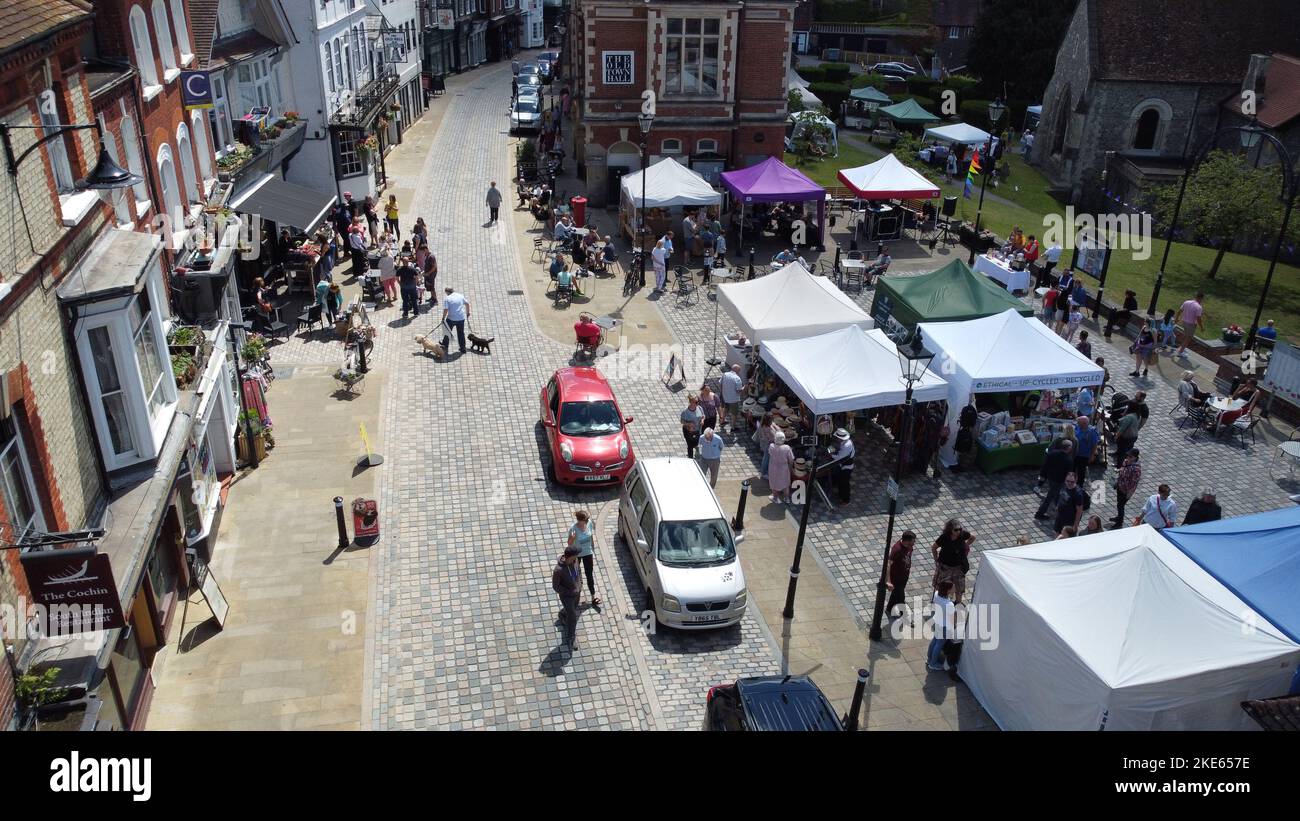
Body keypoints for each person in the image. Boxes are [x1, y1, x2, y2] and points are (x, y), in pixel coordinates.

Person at [931, 519, 975, 605]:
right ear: (950, 529)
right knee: (941, 585)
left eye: (960, 529)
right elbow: (934, 548)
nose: (958, 531)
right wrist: (936, 559)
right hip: (945, 566)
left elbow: (973, 537)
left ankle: (958, 603)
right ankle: (939, 600)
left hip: (959, 566)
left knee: (959, 586)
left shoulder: (963, 535)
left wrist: (966, 545)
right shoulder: (944, 537)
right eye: (956, 530)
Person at [551, 545, 582, 650]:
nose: (577, 557)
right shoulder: (558, 570)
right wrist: (568, 591)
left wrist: (580, 583)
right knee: (573, 617)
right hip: (567, 596)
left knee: (573, 609)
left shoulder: (576, 560)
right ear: (569, 557)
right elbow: (556, 586)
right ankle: (571, 637)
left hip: (577, 592)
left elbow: (579, 571)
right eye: (575, 555)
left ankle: (563, 614)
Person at [567, 510, 600, 607]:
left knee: (589, 574)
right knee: (575, 574)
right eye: (585, 519)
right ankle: (573, 595)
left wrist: (593, 547)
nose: (587, 520)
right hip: (577, 554)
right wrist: (572, 538)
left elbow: (591, 536)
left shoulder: (589, 523)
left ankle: (593, 596)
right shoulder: (573, 529)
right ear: (579, 520)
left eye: (587, 519)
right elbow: (569, 543)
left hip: (588, 553)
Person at [1035, 439, 1074, 519]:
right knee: (1050, 497)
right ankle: (1040, 513)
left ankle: (1057, 508)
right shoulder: (1069, 460)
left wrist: (1042, 476)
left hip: (1050, 477)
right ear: (1069, 448)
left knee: (1055, 494)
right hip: (1059, 481)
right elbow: (1069, 473)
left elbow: (1045, 465)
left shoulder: (1052, 453)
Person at [885, 531, 916, 619]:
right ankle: (904, 616)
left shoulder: (909, 547)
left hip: (904, 576)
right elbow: (888, 565)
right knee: (901, 597)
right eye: (913, 541)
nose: (914, 543)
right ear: (907, 541)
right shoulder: (897, 550)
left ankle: (889, 608)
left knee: (895, 594)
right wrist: (889, 581)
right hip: (896, 578)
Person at [927, 580, 956, 672]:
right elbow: (952, 618)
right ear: (948, 590)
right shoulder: (949, 604)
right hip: (945, 626)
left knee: (935, 641)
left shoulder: (936, 594)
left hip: (937, 621)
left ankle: (929, 658)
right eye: (953, 588)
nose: (954, 589)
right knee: (939, 644)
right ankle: (933, 663)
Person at [1109, 449, 1142, 528]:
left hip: (1126, 491)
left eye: (1130, 456)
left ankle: (1119, 522)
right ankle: (1119, 517)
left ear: (1135, 457)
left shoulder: (1136, 469)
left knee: (1121, 506)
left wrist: (1129, 494)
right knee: (1119, 504)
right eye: (1128, 455)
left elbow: (1134, 483)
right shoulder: (1126, 461)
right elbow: (1123, 469)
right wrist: (1119, 470)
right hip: (1120, 486)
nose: (1128, 458)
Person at [1052, 472, 1086, 537]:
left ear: (1076, 480)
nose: (1069, 483)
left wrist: (1075, 525)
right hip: (1060, 518)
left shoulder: (1078, 494)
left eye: (1072, 482)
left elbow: (1079, 511)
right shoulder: (1064, 485)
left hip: (1069, 521)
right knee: (1057, 535)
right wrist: (1057, 507)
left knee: (1067, 539)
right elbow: (1060, 496)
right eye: (1067, 481)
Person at [767, 431, 795, 504]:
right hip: (784, 468)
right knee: (785, 484)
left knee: (774, 483)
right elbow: (791, 459)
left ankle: (775, 498)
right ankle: (787, 498)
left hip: (773, 467)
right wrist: (790, 467)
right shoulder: (787, 448)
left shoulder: (771, 446)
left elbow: (770, 453)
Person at [828, 428, 855, 503]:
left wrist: (830, 454)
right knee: (839, 479)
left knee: (844, 483)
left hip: (846, 467)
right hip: (841, 465)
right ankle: (840, 493)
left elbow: (839, 457)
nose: (836, 438)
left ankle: (846, 499)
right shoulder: (844, 442)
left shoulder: (847, 445)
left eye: (837, 438)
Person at [441, 287, 469, 354]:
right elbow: (467, 304)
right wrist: (468, 313)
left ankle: (445, 345)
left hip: (451, 318)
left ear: (447, 292)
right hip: (461, 318)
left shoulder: (447, 299)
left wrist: (443, 317)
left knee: (447, 331)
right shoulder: (460, 296)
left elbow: (446, 309)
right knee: (461, 333)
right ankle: (463, 348)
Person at [1176, 291, 1204, 358]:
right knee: (1188, 338)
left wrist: (1176, 318)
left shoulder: (1187, 302)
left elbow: (1180, 311)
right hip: (1191, 324)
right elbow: (1198, 319)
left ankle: (1182, 347)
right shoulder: (1199, 307)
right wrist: (1202, 327)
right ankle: (1180, 352)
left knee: (1185, 336)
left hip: (1184, 322)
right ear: (1201, 298)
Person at [1073, 415, 1100, 484]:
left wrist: (1092, 455)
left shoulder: (1092, 432)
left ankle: (1079, 486)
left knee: (1081, 471)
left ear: (1084, 424)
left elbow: (1094, 445)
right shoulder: (1078, 427)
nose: (1078, 424)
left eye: (1079, 423)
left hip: (1084, 455)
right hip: (1075, 453)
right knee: (1072, 469)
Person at [720, 365, 745, 432]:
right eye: (739, 371)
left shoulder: (724, 374)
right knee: (734, 413)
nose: (739, 372)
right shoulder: (737, 378)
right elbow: (738, 391)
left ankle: (722, 421)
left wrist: (722, 393)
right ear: (737, 371)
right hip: (733, 399)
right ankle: (733, 427)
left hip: (725, 397)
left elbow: (721, 383)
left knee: (726, 409)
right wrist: (744, 388)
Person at [396, 254, 421, 319]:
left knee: (405, 301)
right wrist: (415, 283)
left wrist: (400, 284)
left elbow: (397, 278)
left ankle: (406, 314)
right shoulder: (412, 269)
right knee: (414, 300)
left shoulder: (400, 269)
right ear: (408, 262)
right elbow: (417, 277)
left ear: (402, 262)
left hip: (404, 287)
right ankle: (416, 312)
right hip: (412, 286)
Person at [756, 412, 778, 479]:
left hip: (766, 445)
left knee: (766, 458)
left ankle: (765, 472)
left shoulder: (763, 425)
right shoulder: (766, 428)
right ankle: (764, 473)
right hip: (767, 446)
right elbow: (769, 438)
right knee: (766, 459)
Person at [680, 393, 703, 458]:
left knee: (696, 443)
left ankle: (696, 447)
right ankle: (690, 458)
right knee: (690, 445)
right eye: (696, 402)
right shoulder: (686, 412)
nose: (697, 403)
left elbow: (703, 416)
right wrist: (688, 424)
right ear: (691, 402)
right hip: (688, 431)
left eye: (698, 402)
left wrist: (702, 420)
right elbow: (682, 421)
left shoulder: (700, 408)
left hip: (697, 430)